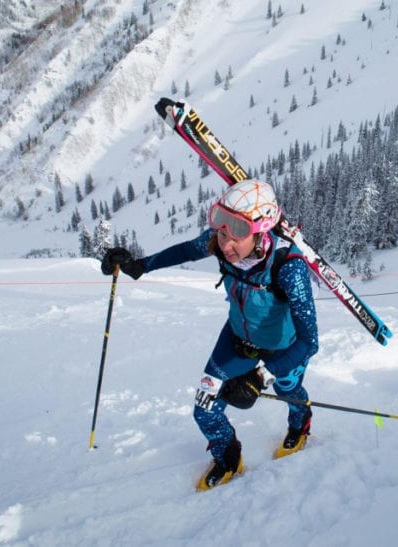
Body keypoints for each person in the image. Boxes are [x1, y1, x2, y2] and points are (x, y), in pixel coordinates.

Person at [100, 179, 318, 491]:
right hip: (236, 339)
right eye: (221, 227)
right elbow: (186, 250)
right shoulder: (222, 241)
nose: (226, 243)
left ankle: (301, 422)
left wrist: (263, 377)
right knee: (205, 408)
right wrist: (139, 265)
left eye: (239, 232)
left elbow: (310, 341)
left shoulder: (287, 266)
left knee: (289, 390)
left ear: (261, 231)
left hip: (282, 350)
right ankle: (228, 457)